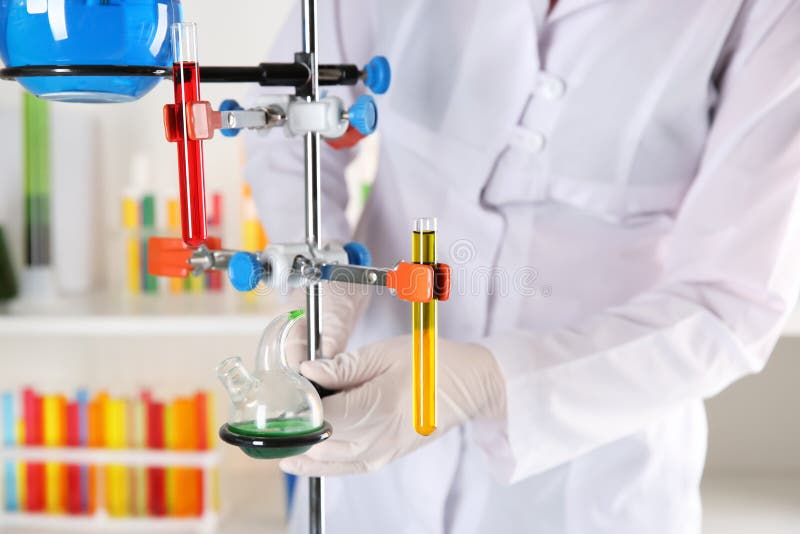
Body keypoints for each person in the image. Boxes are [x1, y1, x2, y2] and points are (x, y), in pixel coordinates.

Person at [244, 1, 800, 533]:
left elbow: (730, 304)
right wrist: (312, 261)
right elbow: (289, 123)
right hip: (369, 469)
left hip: (587, 481)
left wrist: (491, 382)